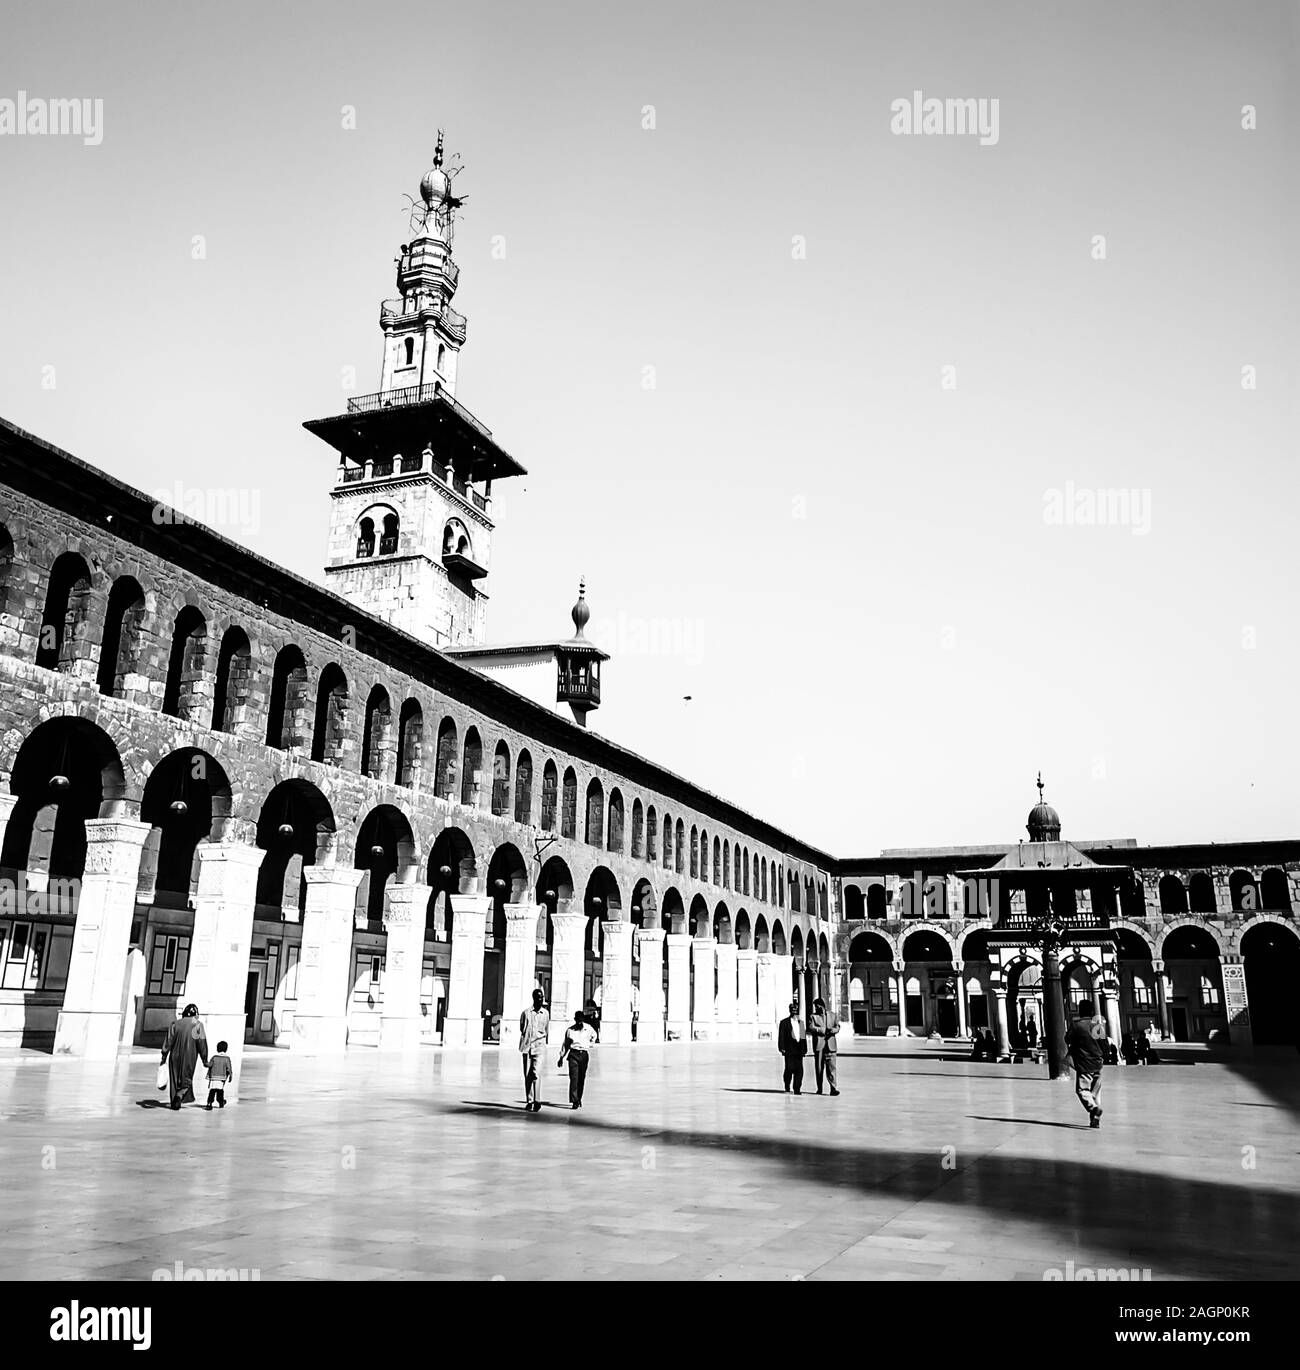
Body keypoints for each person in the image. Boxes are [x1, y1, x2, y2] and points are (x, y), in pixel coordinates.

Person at [1065, 999, 1107, 1128]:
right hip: (1098, 1063)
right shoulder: (1096, 1025)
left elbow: (1067, 1039)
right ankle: (1094, 1120)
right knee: (1094, 1093)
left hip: (1084, 1063)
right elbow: (1105, 1046)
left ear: (1080, 1011)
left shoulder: (1077, 1025)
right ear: (1092, 1011)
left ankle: (1094, 1109)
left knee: (1082, 1090)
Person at [160, 1003, 209, 1111]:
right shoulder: (197, 1025)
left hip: (174, 1056)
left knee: (175, 1077)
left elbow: (168, 1041)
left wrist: (163, 1057)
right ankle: (179, 1096)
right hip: (189, 1055)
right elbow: (201, 1043)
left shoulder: (175, 1024)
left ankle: (174, 1100)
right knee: (186, 1078)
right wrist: (205, 1060)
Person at [558, 1009, 597, 1109]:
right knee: (574, 1078)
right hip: (573, 1055)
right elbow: (565, 1044)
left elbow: (594, 1036)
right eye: (577, 1020)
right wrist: (561, 1057)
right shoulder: (570, 1030)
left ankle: (579, 1098)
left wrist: (590, 1044)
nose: (579, 1022)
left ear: (583, 1019)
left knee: (581, 1078)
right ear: (575, 1020)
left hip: (583, 1054)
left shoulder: (588, 1028)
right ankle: (574, 1100)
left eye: (581, 1020)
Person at [519, 988, 550, 1112]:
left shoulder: (546, 1013)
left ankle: (537, 1100)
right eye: (538, 997)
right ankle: (529, 1100)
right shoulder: (526, 1013)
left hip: (539, 1046)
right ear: (534, 998)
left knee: (536, 1073)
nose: (540, 999)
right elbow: (522, 1028)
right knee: (528, 1074)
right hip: (527, 1047)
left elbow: (547, 1029)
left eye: (542, 997)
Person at [808, 997, 841, 1096]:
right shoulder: (813, 1017)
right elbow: (811, 1027)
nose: (816, 1008)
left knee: (832, 1068)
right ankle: (819, 1088)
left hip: (830, 1045)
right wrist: (821, 1030)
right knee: (819, 1068)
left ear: (822, 1006)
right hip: (819, 1045)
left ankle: (833, 1088)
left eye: (817, 1006)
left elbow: (838, 1026)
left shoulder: (833, 1015)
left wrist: (833, 1030)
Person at [777, 1001, 807, 1094]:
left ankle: (797, 1088)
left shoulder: (801, 1023)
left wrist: (804, 1049)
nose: (794, 1010)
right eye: (792, 1008)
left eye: (796, 1008)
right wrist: (781, 1047)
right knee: (789, 1069)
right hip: (789, 1049)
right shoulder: (784, 1022)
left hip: (799, 1050)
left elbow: (803, 1037)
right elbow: (781, 1036)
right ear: (790, 1010)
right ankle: (787, 1084)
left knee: (799, 1070)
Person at [205, 1041, 233, 1110]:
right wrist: (230, 1076)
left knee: (212, 1091)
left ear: (217, 1049)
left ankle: (209, 1103)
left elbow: (209, 1065)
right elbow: (229, 1069)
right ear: (226, 1049)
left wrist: (205, 1063)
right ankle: (221, 1102)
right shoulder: (227, 1059)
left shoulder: (214, 1057)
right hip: (221, 1078)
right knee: (220, 1091)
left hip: (213, 1077)